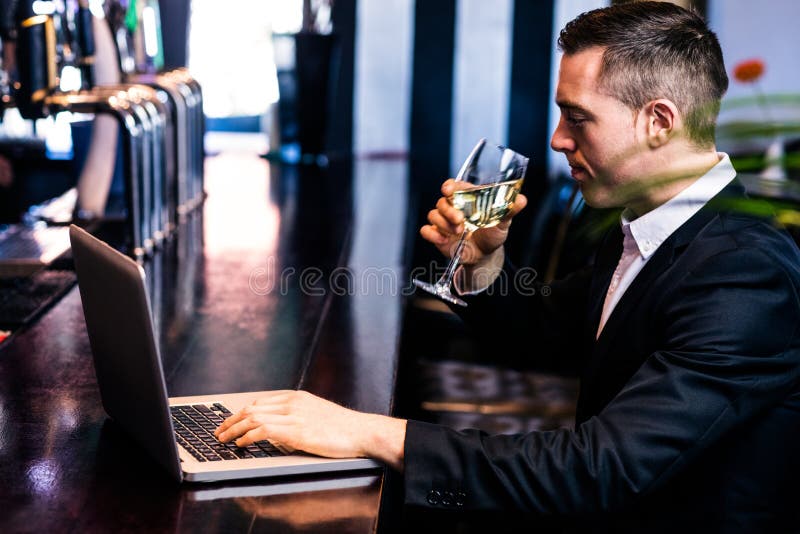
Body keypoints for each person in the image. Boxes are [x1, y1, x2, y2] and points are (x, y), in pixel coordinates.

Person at [216, 2, 800, 531]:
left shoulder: (744, 272)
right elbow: (544, 337)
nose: (556, 139)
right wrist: (485, 260)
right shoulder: (650, 222)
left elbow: (599, 471)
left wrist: (365, 429)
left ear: (659, 121)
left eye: (577, 118)